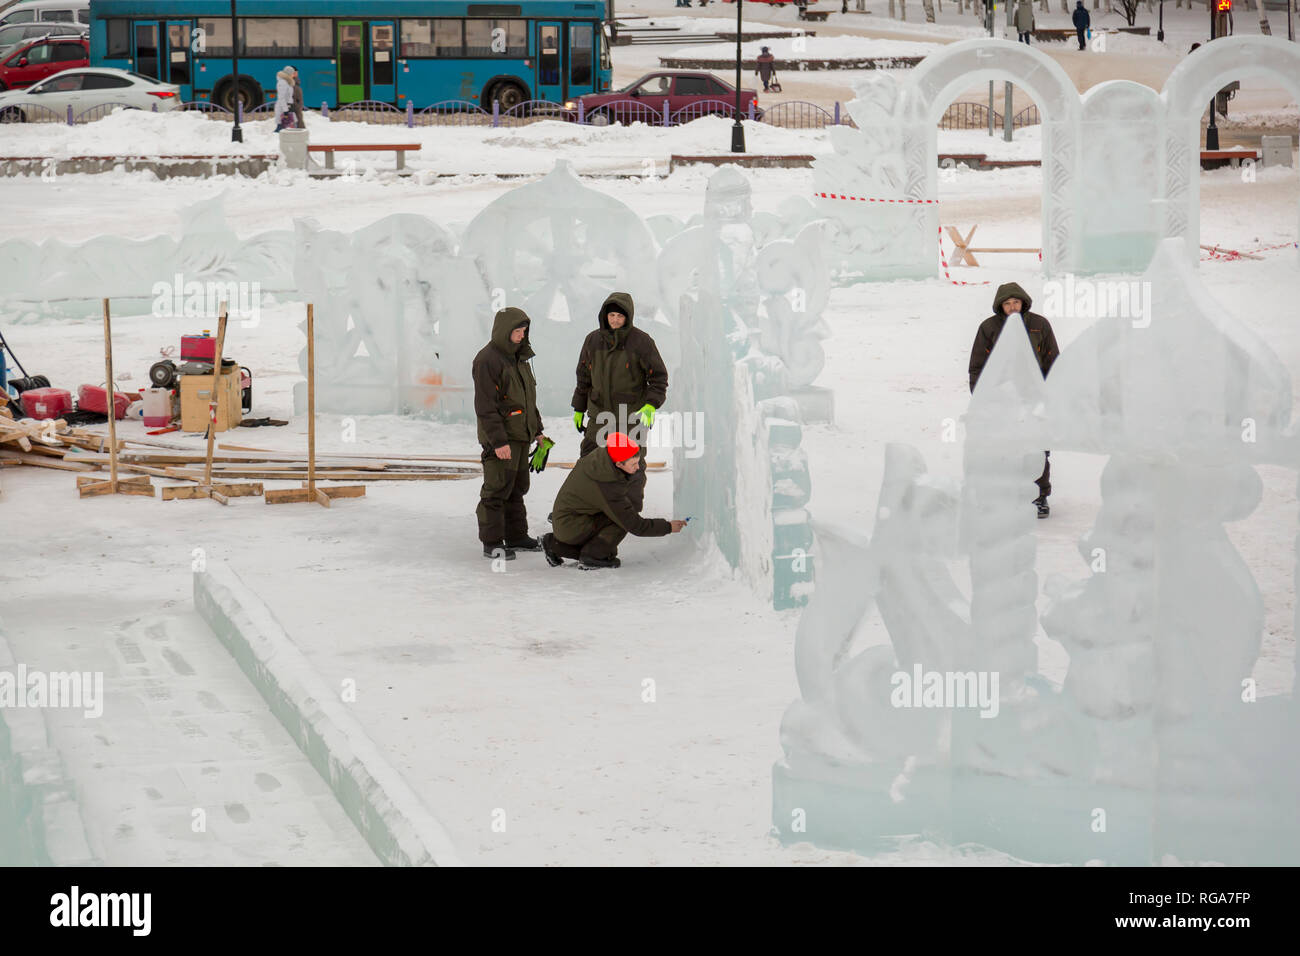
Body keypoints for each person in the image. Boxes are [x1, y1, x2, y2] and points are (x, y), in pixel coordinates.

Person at [968, 282, 1060, 518]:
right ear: (1001, 306)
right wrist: (983, 398)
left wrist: (1052, 396)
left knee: (1037, 448)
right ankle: (1004, 495)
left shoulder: (1039, 325)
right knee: (1002, 448)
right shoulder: (989, 328)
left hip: (1034, 399)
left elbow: (1054, 363)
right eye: (1007, 304)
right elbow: (977, 366)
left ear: (1023, 302)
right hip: (1002, 399)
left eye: (1016, 302)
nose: (1012, 307)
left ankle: (1039, 496)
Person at [571, 292, 667, 514]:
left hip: (631, 415)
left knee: (632, 462)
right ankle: (585, 506)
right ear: (605, 316)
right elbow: (583, 377)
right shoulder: (593, 340)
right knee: (590, 459)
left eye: (619, 316)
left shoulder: (641, 342)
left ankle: (628, 511)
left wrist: (651, 404)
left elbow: (659, 377)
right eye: (611, 315)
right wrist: (579, 407)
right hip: (599, 413)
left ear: (628, 317)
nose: (615, 320)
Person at [542, 432, 686, 570]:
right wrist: (668, 527)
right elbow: (635, 525)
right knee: (621, 521)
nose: (637, 468)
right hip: (569, 526)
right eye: (633, 464)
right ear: (619, 465)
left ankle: (554, 545)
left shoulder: (602, 460)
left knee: (618, 520)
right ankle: (594, 557)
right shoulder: (605, 484)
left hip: (568, 520)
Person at [473, 307, 550, 558]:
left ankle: (516, 536)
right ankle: (492, 542)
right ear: (503, 331)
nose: (520, 336)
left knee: (517, 488)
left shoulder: (520, 359)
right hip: (502, 440)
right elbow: (486, 406)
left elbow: (528, 401)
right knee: (496, 489)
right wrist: (498, 442)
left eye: (523, 331)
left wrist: (537, 432)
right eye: (516, 331)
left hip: (521, 437)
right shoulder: (487, 360)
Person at [273, 65, 297, 132]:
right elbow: (282, 98)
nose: (293, 75)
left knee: (290, 128)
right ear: (289, 74)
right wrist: (285, 110)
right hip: (283, 109)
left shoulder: (287, 82)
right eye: (292, 73)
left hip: (288, 107)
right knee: (284, 129)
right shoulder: (283, 82)